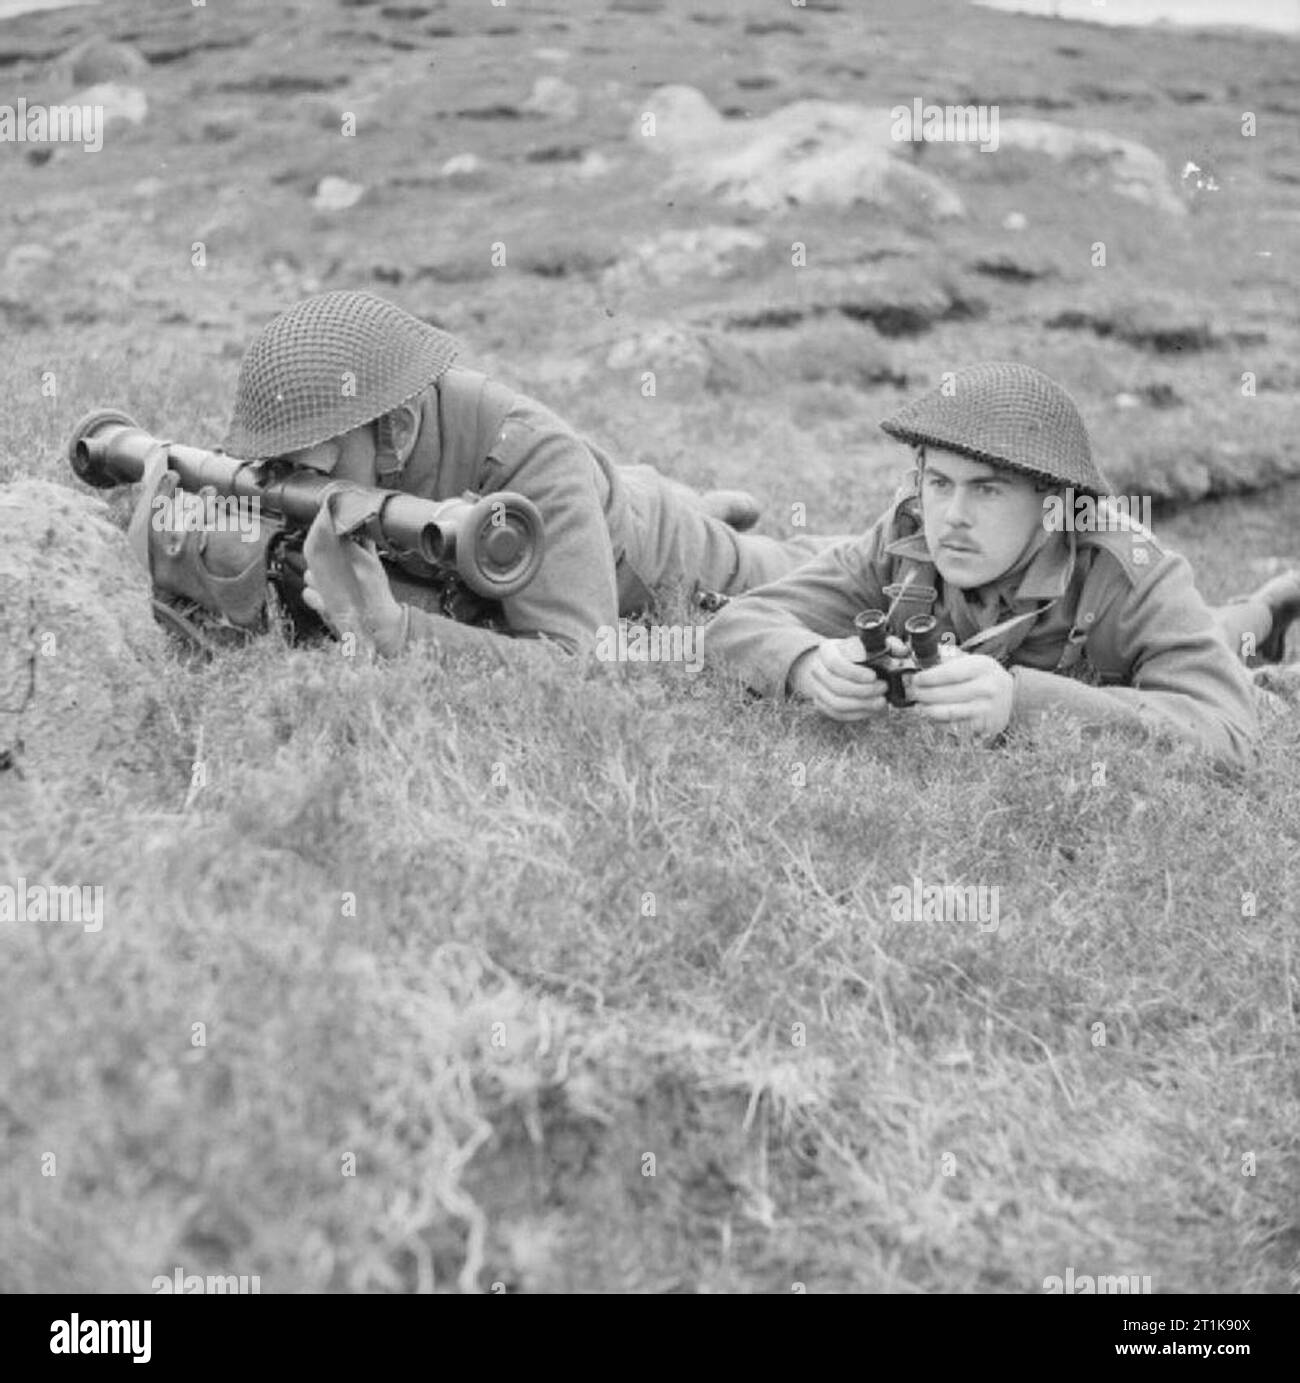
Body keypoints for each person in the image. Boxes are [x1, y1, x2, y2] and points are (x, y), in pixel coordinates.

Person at [177, 290, 838, 658]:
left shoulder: (532, 459)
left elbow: (578, 664)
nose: (294, 486)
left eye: (313, 468)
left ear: (398, 430)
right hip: (598, 493)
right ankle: (703, 500)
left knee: (778, 567)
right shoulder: (351, 442)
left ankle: (734, 526)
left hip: (648, 549)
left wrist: (399, 632)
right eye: (280, 467)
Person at [705, 362, 1294, 770]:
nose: (953, 517)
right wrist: (808, 665)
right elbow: (738, 623)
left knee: (1232, 647)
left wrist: (1020, 705)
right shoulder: (908, 538)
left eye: (987, 491)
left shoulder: (1136, 576)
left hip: (1167, 644)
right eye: (939, 483)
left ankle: (1269, 607)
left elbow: (1227, 739)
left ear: (1052, 504)